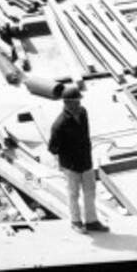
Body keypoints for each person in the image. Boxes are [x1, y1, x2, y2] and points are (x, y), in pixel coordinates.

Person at [48, 85, 105, 232]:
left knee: (90, 192)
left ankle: (92, 221)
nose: (79, 104)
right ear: (67, 103)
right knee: (73, 194)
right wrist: (67, 156)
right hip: (71, 165)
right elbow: (53, 148)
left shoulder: (83, 113)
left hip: (86, 161)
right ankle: (76, 221)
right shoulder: (59, 125)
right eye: (76, 102)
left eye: (79, 101)